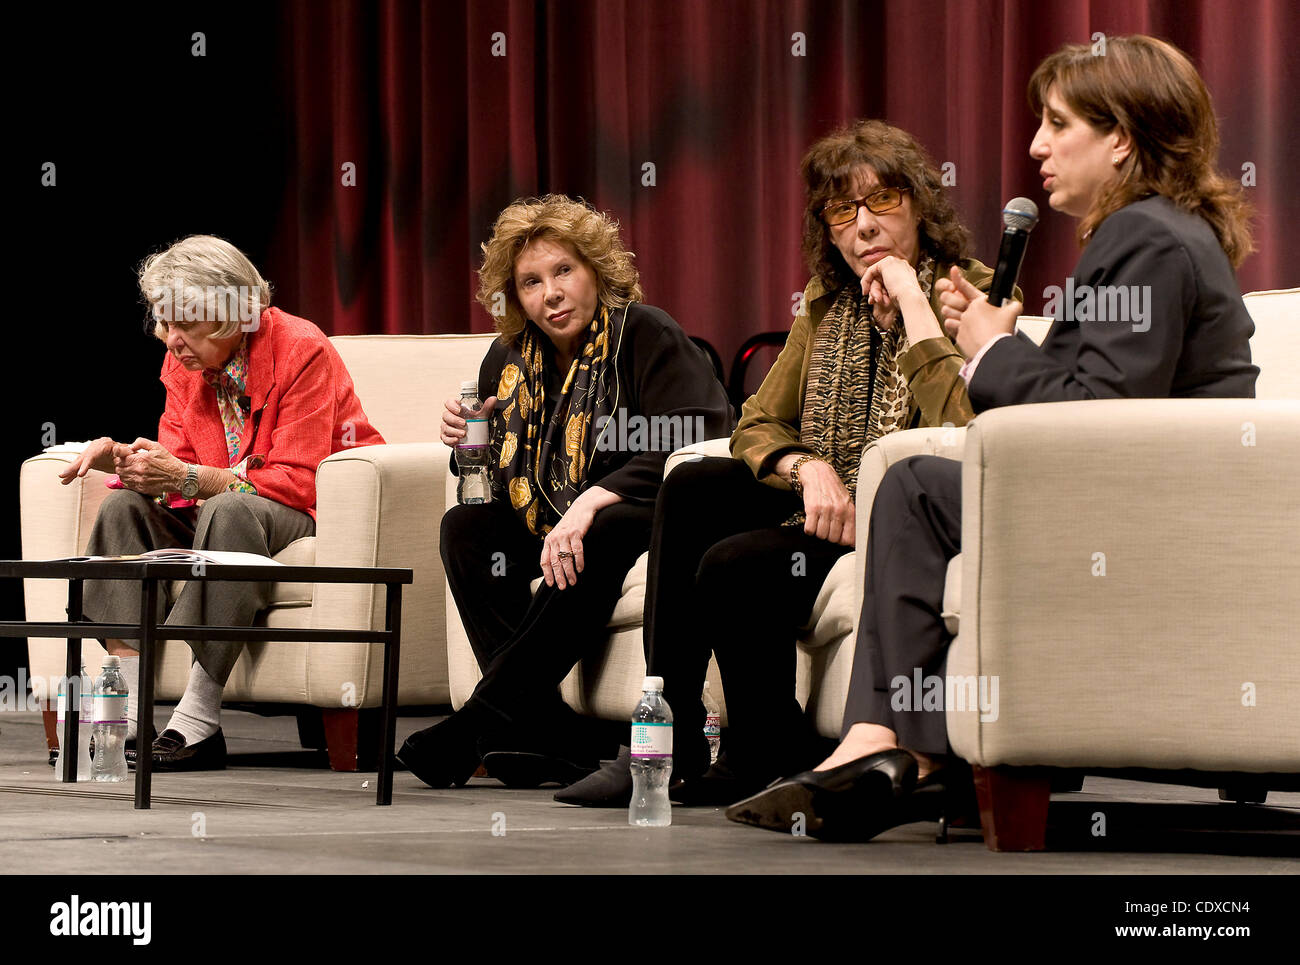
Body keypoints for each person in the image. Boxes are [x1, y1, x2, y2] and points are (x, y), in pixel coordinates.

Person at [727, 34, 1258, 839]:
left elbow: (1094, 422)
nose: (1036, 147)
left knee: (910, 486)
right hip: (1152, 491)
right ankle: (904, 741)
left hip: (1147, 512)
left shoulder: (1142, 237)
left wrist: (990, 349)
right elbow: (1105, 394)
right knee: (917, 487)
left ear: (1120, 137)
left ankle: (895, 737)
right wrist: (1007, 350)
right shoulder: (1162, 230)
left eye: (1057, 124)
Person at [559, 120, 1007, 808]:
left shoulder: (968, 295)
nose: (862, 225)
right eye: (841, 210)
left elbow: (966, 431)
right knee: (693, 482)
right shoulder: (826, 304)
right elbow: (757, 423)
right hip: (825, 504)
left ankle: (763, 749)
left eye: (881, 201)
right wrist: (805, 466)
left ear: (920, 204)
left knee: (734, 564)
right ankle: (667, 733)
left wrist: (913, 304)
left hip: (908, 517)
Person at [397, 195, 732, 789]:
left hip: (642, 517)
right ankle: (549, 734)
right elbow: (500, 473)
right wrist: (465, 442)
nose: (550, 294)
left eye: (563, 271)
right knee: (467, 529)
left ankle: (478, 724)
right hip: (546, 524)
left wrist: (593, 498)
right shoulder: (507, 358)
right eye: (530, 282)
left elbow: (699, 435)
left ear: (595, 271)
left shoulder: (644, 332)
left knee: (603, 527)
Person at [64, 235, 385, 770]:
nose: (169, 340)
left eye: (183, 324)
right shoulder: (185, 366)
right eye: (163, 324)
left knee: (230, 509)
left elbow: (299, 479)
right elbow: (178, 463)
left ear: (232, 316)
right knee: (121, 510)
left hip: (306, 513)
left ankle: (198, 721)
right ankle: (130, 716)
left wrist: (188, 478)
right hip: (222, 508)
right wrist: (125, 462)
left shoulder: (302, 349)